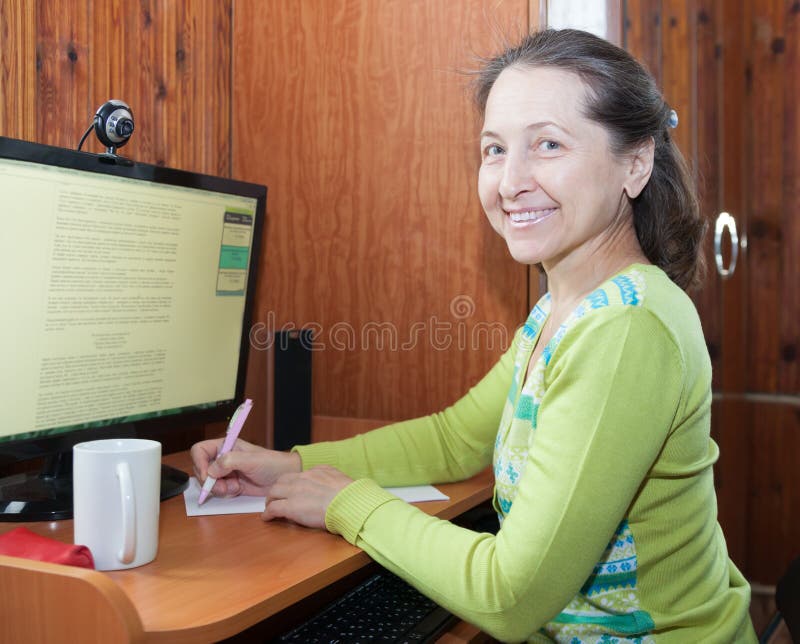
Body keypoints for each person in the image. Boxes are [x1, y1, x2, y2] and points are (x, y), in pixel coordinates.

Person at [191, 29, 757, 642]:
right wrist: (287, 466)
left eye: (548, 144)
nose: (510, 181)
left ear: (635, 162)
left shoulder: (627, 329)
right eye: (494, 149)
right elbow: (457, 439)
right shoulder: (563, 310)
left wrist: (346, 504)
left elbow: (508, 597)